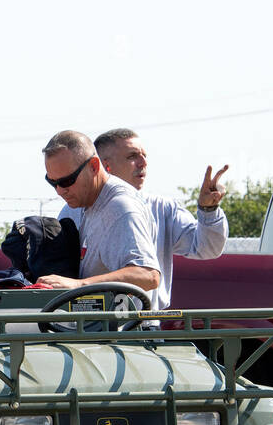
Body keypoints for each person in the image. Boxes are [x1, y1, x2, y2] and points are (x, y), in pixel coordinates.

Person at [59, 128, 228, 309]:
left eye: (144, 155)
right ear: (105, 166)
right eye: (132, 156)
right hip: (90, 324)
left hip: (145, 326)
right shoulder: (74, 210)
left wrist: (208, 209)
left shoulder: (162, 208)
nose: (143, 162)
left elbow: (206, 247)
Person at [34, 130, 160, 295]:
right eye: (52, 182)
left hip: (127, 321)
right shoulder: (74, 206)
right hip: (96, 320)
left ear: (93, 166)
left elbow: (148, 275)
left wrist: (79, 285)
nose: (59, 191)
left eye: (67, 181)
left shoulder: (121, 207)